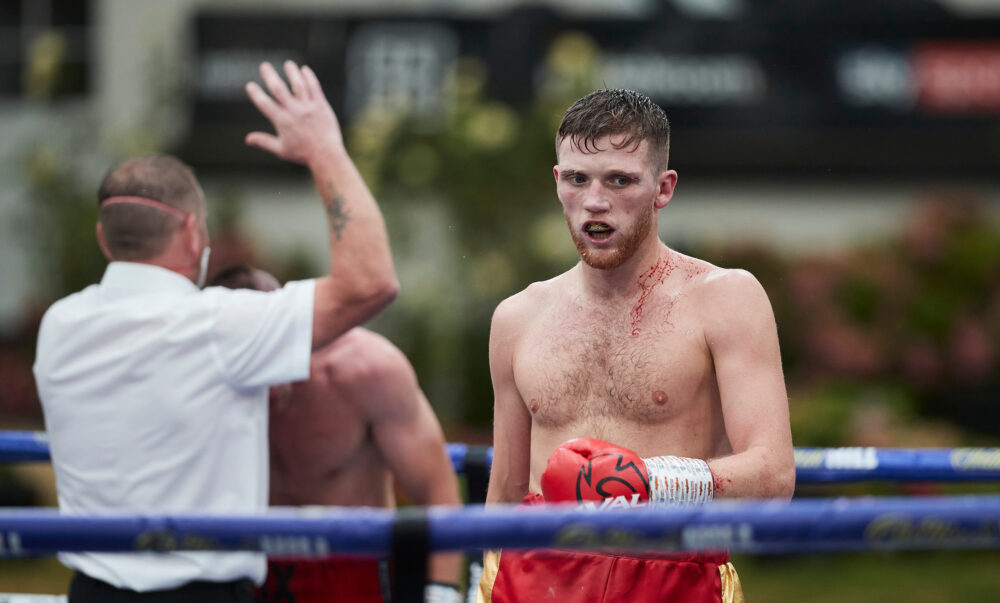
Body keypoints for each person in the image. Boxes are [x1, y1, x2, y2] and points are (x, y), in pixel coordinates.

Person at [33, 61, 399, 602]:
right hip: (203, 592)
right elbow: (371, 282)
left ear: (104, 238)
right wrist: (324, 149)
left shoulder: (58, 325)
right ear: (190, 230)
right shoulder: (220, 324)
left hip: (91, 590)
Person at [478, 89, 796, 602]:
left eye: (620, 180)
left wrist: (645, 480)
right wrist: (478, 583)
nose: (596, 201)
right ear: (558, 183)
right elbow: (507, 491)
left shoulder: (724, 299)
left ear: (662, 188)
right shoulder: (518, 317)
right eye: (578, 179)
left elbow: (773, 475)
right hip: (532, 579)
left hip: (670, 577)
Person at [208, 265, 464, 603]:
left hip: (353, 565)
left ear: (288, 332)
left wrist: (441, 592)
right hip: (242, 565)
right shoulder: (196, 382)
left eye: (268, 353)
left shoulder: (367, 370)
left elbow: (437, 492)